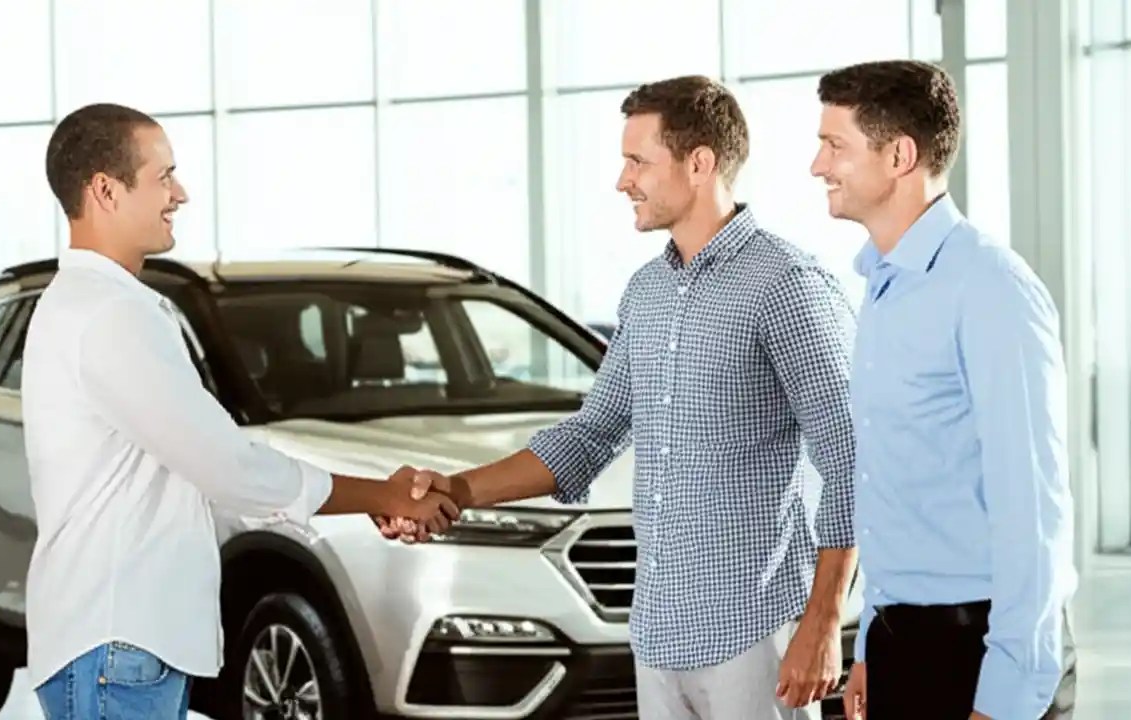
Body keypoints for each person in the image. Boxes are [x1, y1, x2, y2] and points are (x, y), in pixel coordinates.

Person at [383, 75, 858, 719]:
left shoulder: (787, 285)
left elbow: (851, 459)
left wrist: (824, 620)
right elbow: (590, 435)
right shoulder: (646, 291)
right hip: (656, 634)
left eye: (638, 161)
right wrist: (456, 491)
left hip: (754, 631)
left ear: (699, 164)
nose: (622, 181)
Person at [22, 103, 459, 719]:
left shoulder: (89, 303)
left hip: (117, 642)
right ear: (106, 191)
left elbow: (198, 468)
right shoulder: (112, 314)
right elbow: (226, 465)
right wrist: (382, 495)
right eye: (163, 176)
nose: (180, 194)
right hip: (117, 644)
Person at [808, 61, 1078, 720]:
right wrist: (872, 644)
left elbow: (1033, 509)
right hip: (905, 645)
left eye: (835, 145)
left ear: (899, 156)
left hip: (982, 653)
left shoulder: (989, 286)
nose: (818, 166)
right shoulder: (885, 285)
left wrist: (1006, 696)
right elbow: (893, 490)